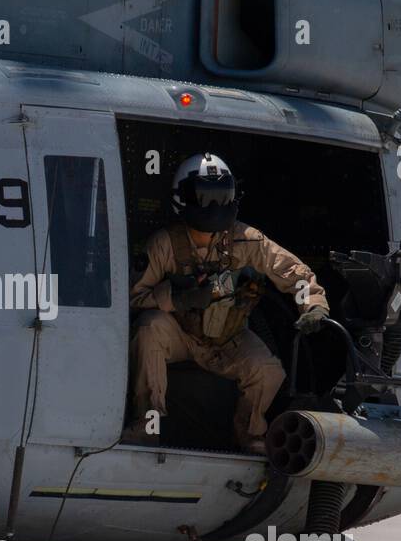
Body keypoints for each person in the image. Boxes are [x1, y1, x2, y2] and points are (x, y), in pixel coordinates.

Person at [125, 153, 330, 454]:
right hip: (180, 333)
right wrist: (177, 297)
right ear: (185, 198)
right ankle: (148, 426)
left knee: (267, 370)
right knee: (148, 329)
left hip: (227, 339)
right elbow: (132, 299)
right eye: (204, 197)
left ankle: (249, 437)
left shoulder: (247, 240)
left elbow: (292, 271)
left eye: (221, 197)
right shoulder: (164, 245)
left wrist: (312, 305)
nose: (213, 206)